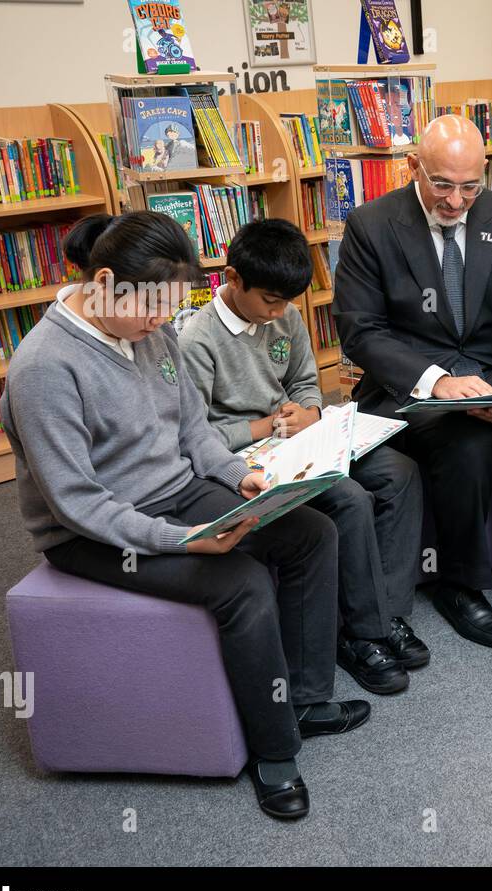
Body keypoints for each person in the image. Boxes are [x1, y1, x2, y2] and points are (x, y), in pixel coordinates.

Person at [0, 212, 369, 821]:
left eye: (170, 310)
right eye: (152, 310)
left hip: (177, 489)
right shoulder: (44, 369)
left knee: (311, 532)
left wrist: (239, 476)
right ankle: (275, 752)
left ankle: (304, 698)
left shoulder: (152, 329)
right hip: (92, 532)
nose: (160, 325)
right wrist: (183, 542)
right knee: (241, 583)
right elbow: (77, 502)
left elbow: (194, 434)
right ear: (105, 282)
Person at [334, 114, 492, 651]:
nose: (457, 201)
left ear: (485, 173)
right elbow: (360, 332)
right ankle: (461, 585)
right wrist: (437, 382)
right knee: (466, 447)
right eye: (442, 183)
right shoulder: (371, 225)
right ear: (414, 167)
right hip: (415, 386)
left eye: (470, 186)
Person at [180, 218, 425, 696]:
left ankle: (388, 612)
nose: (279, 313)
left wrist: (310, 410)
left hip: (298, 437)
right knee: (350, 497)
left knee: (399, 472)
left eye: (287, 302)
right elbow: (197, 434)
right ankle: (362, 635)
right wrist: (265, 426)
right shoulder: (198, 340)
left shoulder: (284, 316)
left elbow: (305, 380)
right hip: (243, 459)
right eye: (270, 301)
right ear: (232, 279)